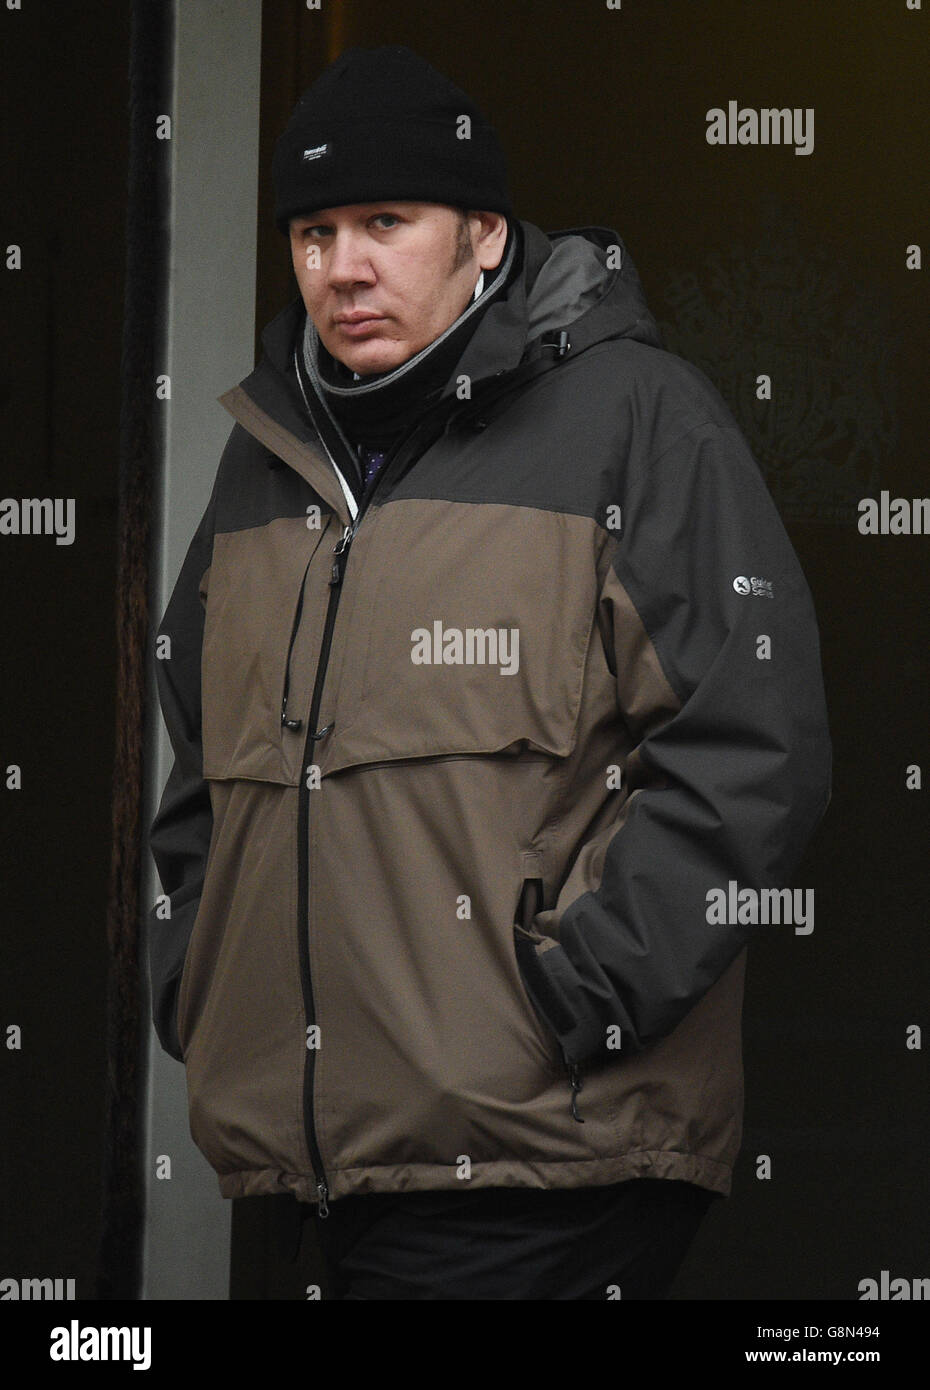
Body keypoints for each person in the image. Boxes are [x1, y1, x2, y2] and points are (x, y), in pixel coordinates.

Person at [148, 44, 832, 1300]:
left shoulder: (637, 419)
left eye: (383, 223)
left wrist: (576, 998)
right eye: (312, 233)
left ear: (483, 235)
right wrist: (204, 980)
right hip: (309, 1169)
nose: (340, 266)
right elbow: (206, 765)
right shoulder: (266, 460)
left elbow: (756, 743)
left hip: (542, 1162)